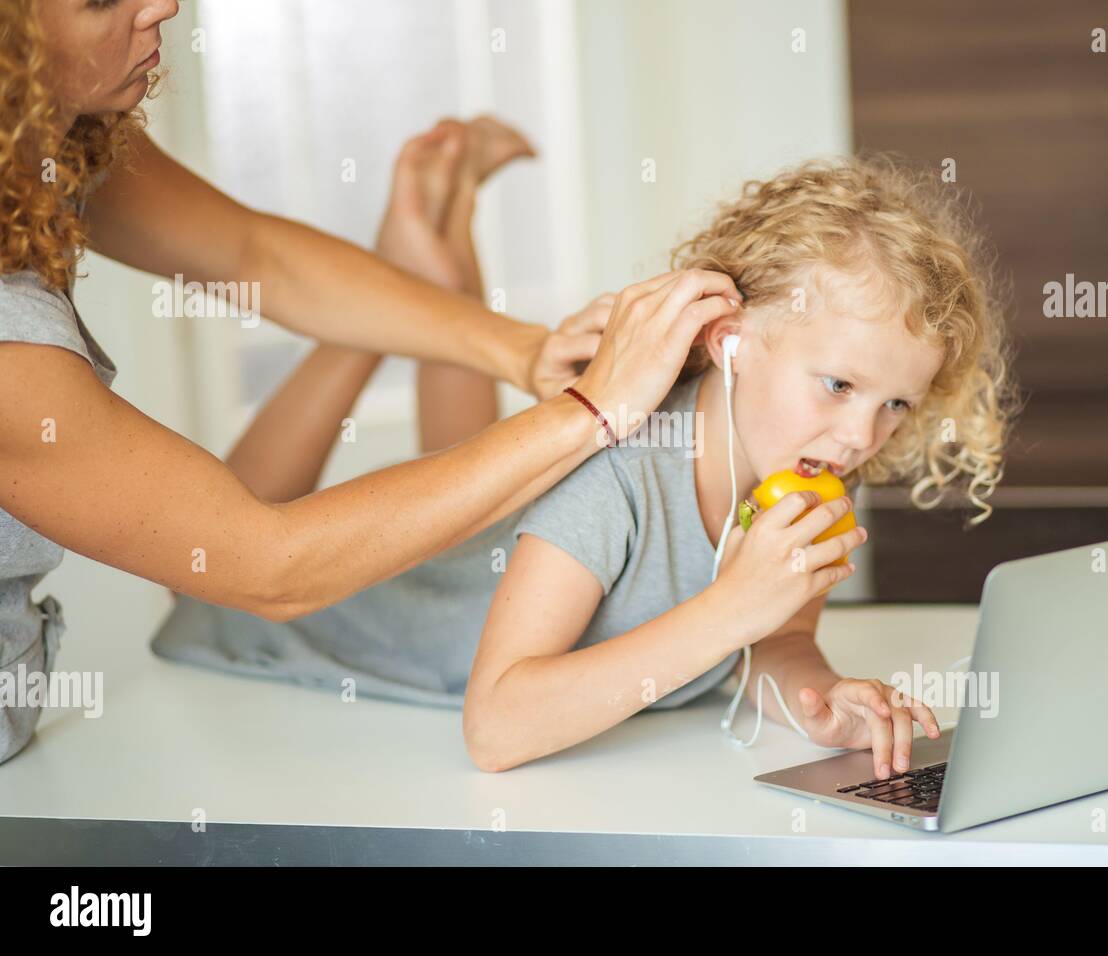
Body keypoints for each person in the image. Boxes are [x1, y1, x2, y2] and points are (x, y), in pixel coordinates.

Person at [0, 0, 742, 764]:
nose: (163, 4)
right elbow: (268, 564)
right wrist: (592, 408)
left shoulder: (47, 142)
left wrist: (526, 352)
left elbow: (257, 258)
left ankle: (417, 261)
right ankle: (424, 257)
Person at [154, 150, 1019, 778]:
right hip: (296, 614)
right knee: (214, 558)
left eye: (894, 404)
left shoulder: (811, 461)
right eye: (838, 384)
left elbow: (777, 636)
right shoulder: (622, 472)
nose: (863, 435)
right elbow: (495, 728)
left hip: (457, 567)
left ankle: (425, 273)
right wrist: (727, 613)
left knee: (455, 483)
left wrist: (818, 698)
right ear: (733, 342)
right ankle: (393, 286)